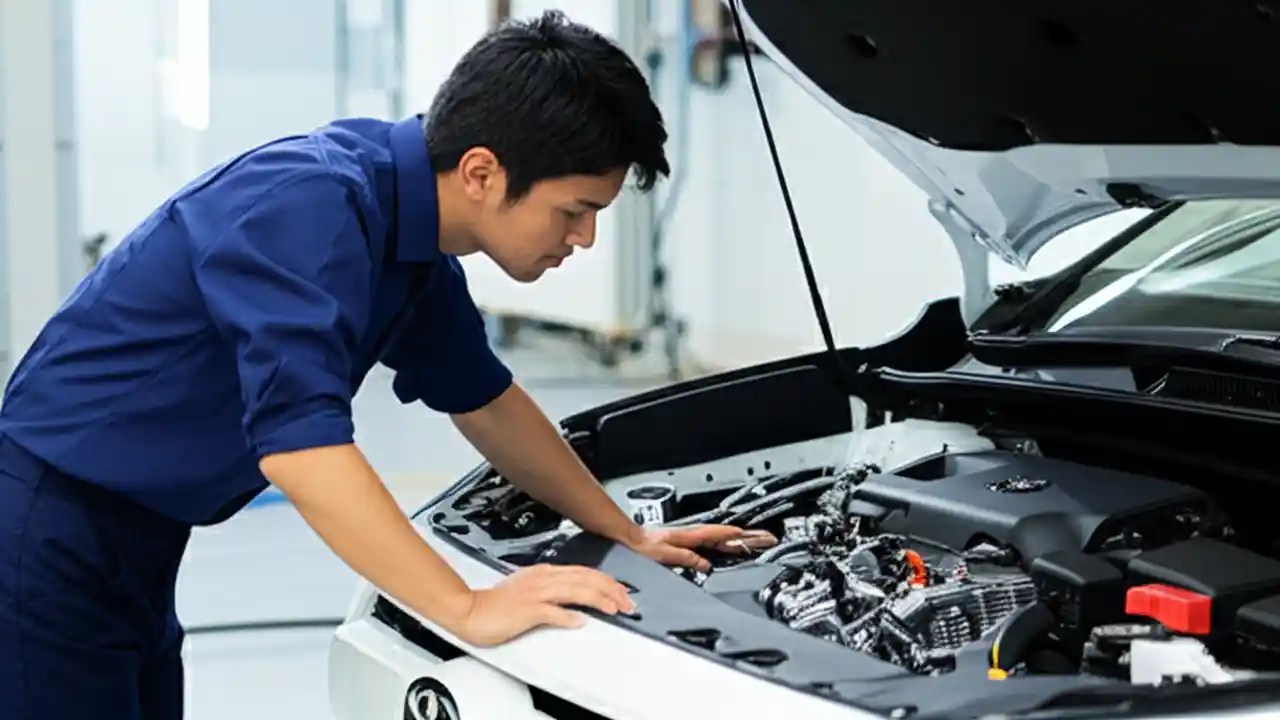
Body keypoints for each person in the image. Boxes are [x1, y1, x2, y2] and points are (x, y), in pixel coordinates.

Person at [0, 11, 775, 720]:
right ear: (482, 173)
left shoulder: (411, 239)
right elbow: (302, 451)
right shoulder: (309, 207)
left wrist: (621, 534)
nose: (584, 241)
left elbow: (485, 400)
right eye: (575, 212)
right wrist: (465, 607)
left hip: (136, 539)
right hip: (46, 533)